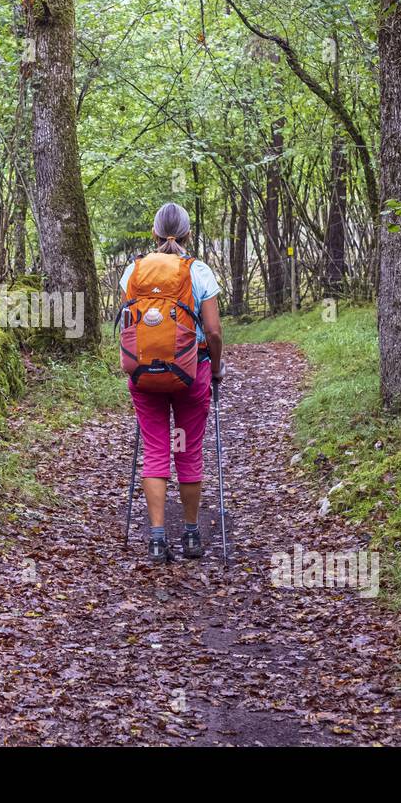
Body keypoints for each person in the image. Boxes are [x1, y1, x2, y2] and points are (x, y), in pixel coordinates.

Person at [120, 202, 224, 562]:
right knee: (187, 449)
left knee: (156, 450)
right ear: (187, 233)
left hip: (145, 375)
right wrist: (217, 369)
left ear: (154, 232)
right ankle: (192, 535)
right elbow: (212, 331)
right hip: (190, 373)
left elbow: (129, 327)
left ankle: (157, 538)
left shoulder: (133, 271)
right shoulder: (200, 271)